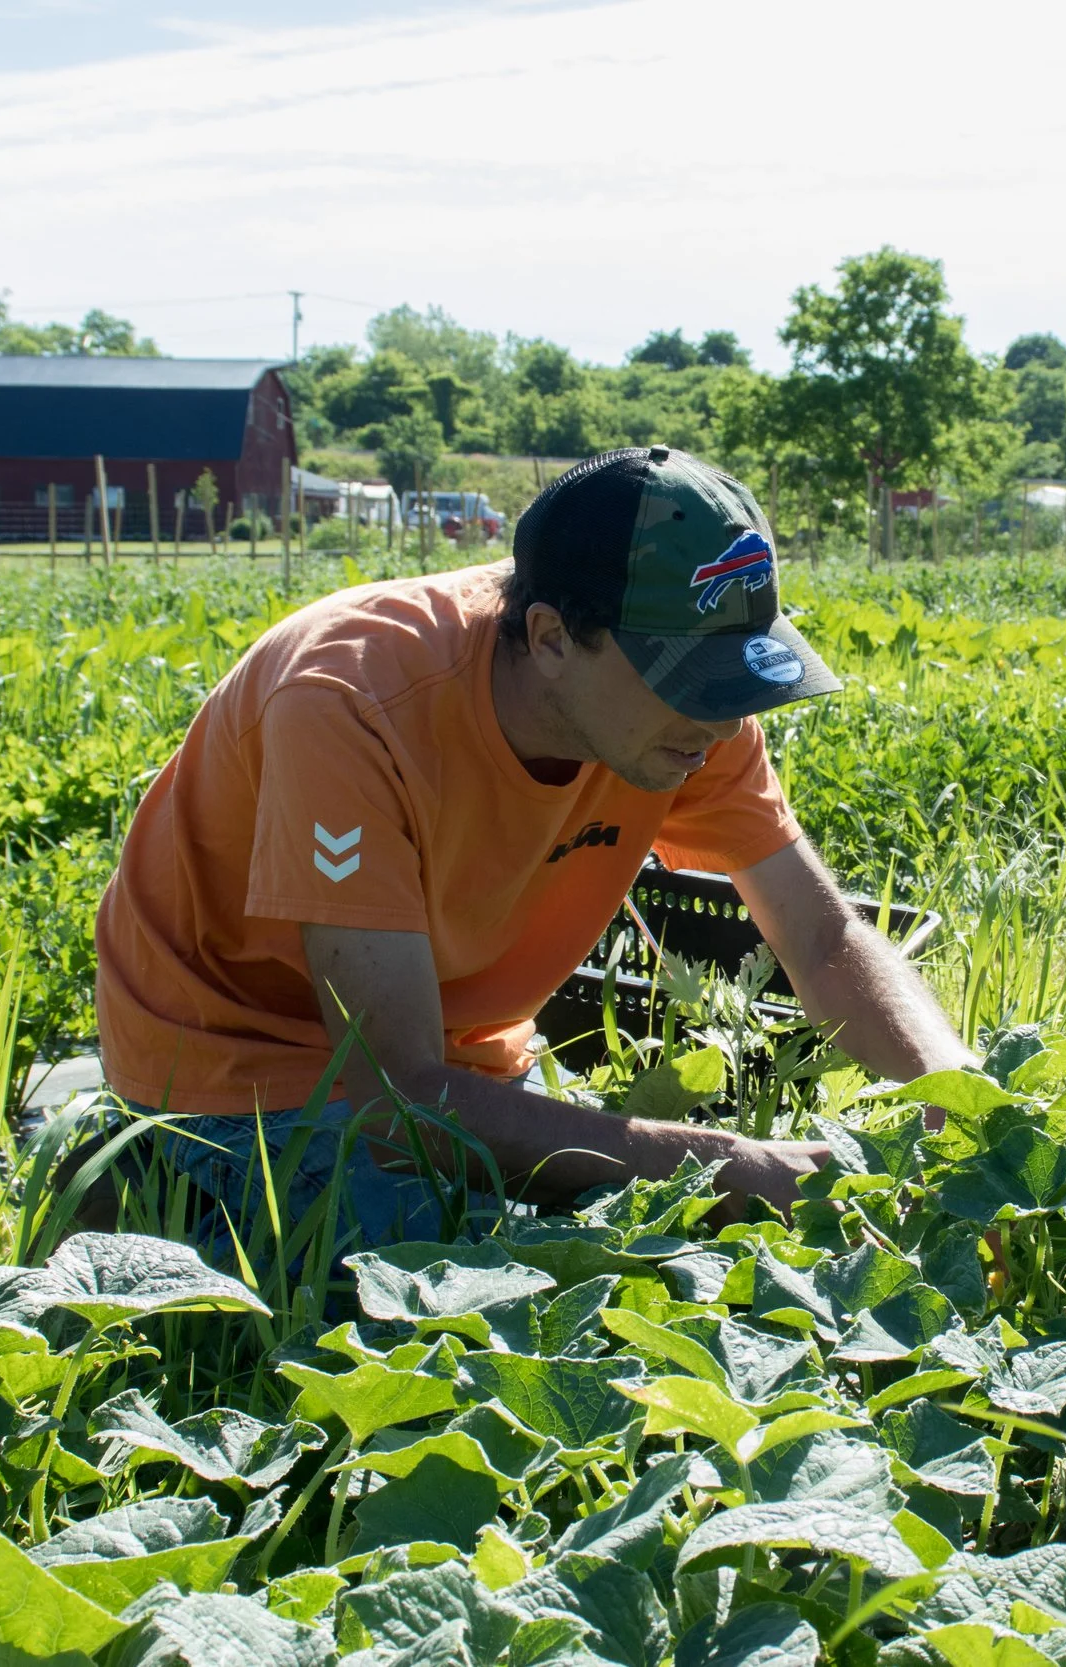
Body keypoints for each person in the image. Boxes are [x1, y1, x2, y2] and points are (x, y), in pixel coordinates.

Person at [93, 445, 973, 1245]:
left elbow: (820, 936)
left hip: (459, 1050)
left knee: (634, 1246)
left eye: (740, 671)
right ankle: (133, 1185)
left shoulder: (684, 720)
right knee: (417, 1279)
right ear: (551, 636)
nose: (726, 718)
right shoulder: (350, 705)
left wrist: (962, 1098)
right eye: (689, 678)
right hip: (245, 1059)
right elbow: (397, 1097)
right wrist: (725, 1160)